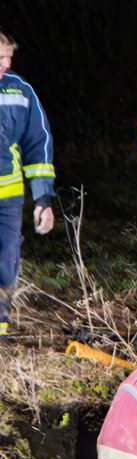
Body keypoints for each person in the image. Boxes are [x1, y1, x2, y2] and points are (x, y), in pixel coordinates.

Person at [0, 31, 56, 340]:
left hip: (8, 196)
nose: (7, 64)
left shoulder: (20, 90)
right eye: (1, 58)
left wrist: (42, 199)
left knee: (7, 262)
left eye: (9, 57)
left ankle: (0, 327)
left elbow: (38, 144)